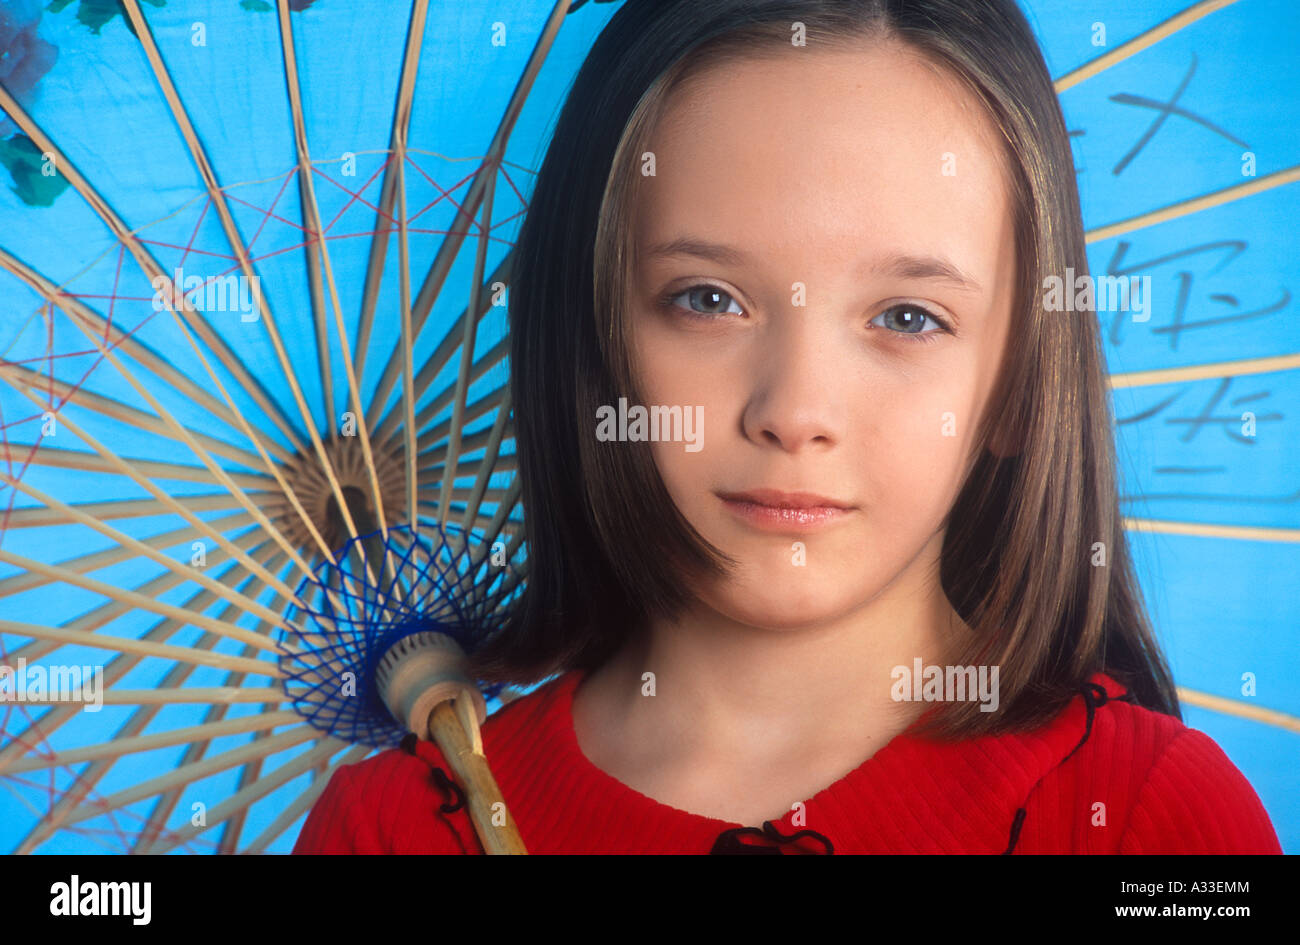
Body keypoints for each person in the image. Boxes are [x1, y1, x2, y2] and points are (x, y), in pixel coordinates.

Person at [293, 0, 1281, 854]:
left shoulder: (1142, 818)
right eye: (708, 299)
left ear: (1018, 386)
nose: (794, 412)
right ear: (591, 337)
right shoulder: (401, 832)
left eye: (906, 318)